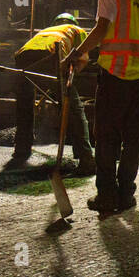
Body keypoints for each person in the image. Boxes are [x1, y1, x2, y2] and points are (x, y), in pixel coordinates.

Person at [65, 0, 139, 216]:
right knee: (133, 139)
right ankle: (126, 195)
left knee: (107, 138)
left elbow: (100, 30)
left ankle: (106, 196)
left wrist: (78, 52)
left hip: (113, 78)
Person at [12, 12, 94, 172]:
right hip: (51, 56)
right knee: (74, 108)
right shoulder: (77, 30)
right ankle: (86, 158)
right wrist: (73, 72)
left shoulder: (46, 31)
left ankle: (22, 148)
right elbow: (83, 58)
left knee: (24, 105)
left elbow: (35, 59)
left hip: (22, 58)